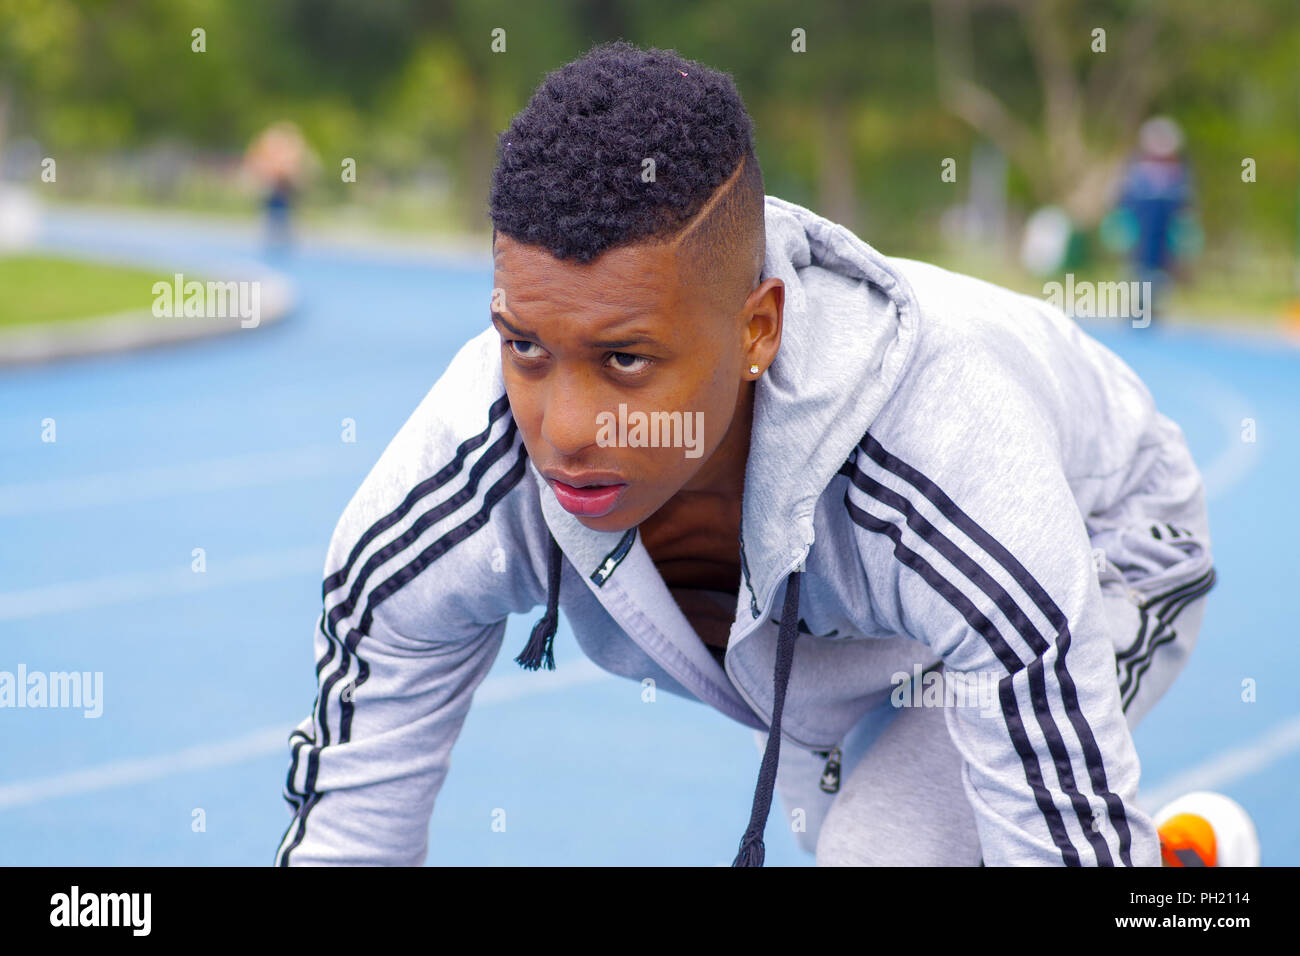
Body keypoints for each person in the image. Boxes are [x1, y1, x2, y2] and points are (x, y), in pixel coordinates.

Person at [276, 41, 1232, 867]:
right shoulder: (463, 478)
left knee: (885, 848)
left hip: (1109, 536)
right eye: (524, 345)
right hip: (865, 621)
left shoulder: (944, 464)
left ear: (758, 330)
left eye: (625, 359)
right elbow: (347, 838)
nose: (563, 431)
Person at [1113, 116, 1196, 325]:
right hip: (1141, 230)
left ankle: (1155, 306)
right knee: (1138, 267)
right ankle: (1137, 305)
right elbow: (1123, 197)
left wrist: (1185, 226)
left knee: (1161, 269)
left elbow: (1185, 204)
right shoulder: (1136, 167)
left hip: (1164, 233)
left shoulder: (1179, 170)